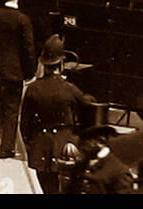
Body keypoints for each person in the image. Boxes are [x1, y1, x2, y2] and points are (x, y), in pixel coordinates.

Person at [19, 34, 94, 194]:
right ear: (60, 63)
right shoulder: (69, 89)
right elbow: (88, 111)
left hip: (41, 146)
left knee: (48, 189)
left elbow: (24, 124)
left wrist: (31, 143)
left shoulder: (33, 89)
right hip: (67, 146)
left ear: (43, 64)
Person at [0, 0, 36, 158]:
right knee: (12, 108)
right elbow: (28, 48)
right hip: (15, 71)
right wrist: (30, 71)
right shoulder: (23, 19)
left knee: (0, 100)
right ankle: (7, 148)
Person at [74, 123, 133, 194]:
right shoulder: (81, 165)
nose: (80, 145)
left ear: (100, 141)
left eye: (86, 140)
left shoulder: (119, 171)